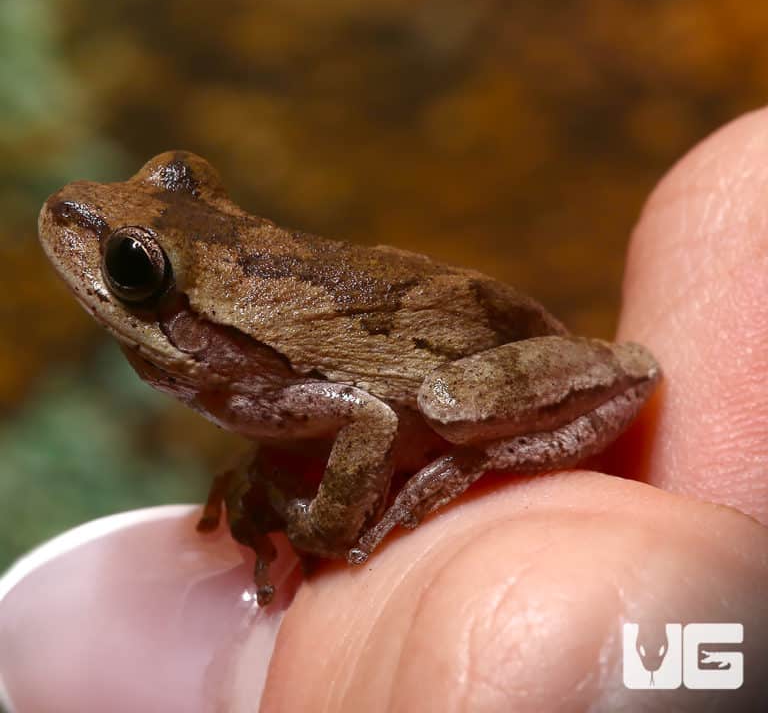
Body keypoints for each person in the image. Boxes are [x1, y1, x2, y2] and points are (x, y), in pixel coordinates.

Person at [1, 109, 767, 712]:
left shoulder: (258, 371)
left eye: (132, 270)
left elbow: (364, 412)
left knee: (447, 403)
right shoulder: (244, 364)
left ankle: (479, 452)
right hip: (421, 335)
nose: (74, 216)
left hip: (462, 367)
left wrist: (324, 525)